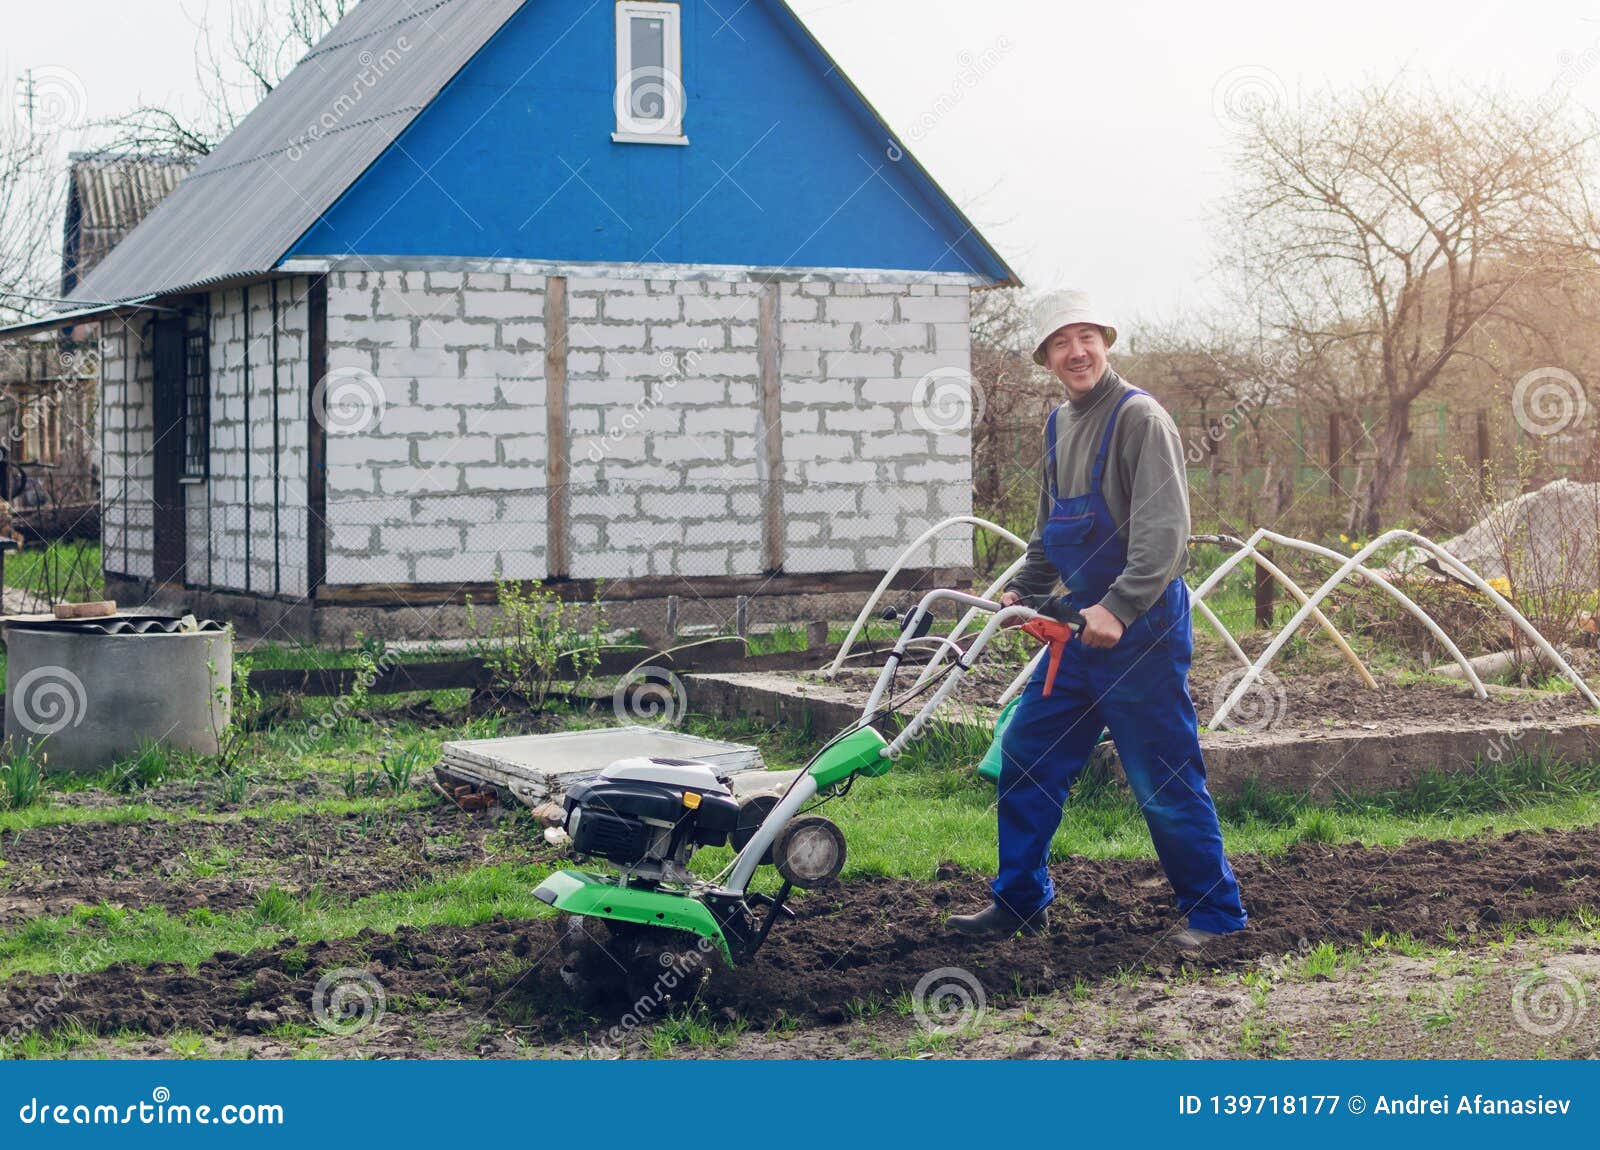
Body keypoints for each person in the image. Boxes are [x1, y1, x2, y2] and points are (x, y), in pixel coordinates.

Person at [948, 291, 1248, 950]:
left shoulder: (1139, 418)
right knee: (1027, 758)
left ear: (1105, 342)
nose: (1077, 352)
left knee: (1163, 779)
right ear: (1047, 358)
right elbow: (1050, 529)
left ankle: (1216, 916)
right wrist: (1021, 592)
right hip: (1079, 635)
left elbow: (1166, 532)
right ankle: (1021, 901)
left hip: (1138, 631)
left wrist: (1119, 605)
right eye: (1062, 342)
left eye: (1087, 336)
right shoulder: (1060, 424)